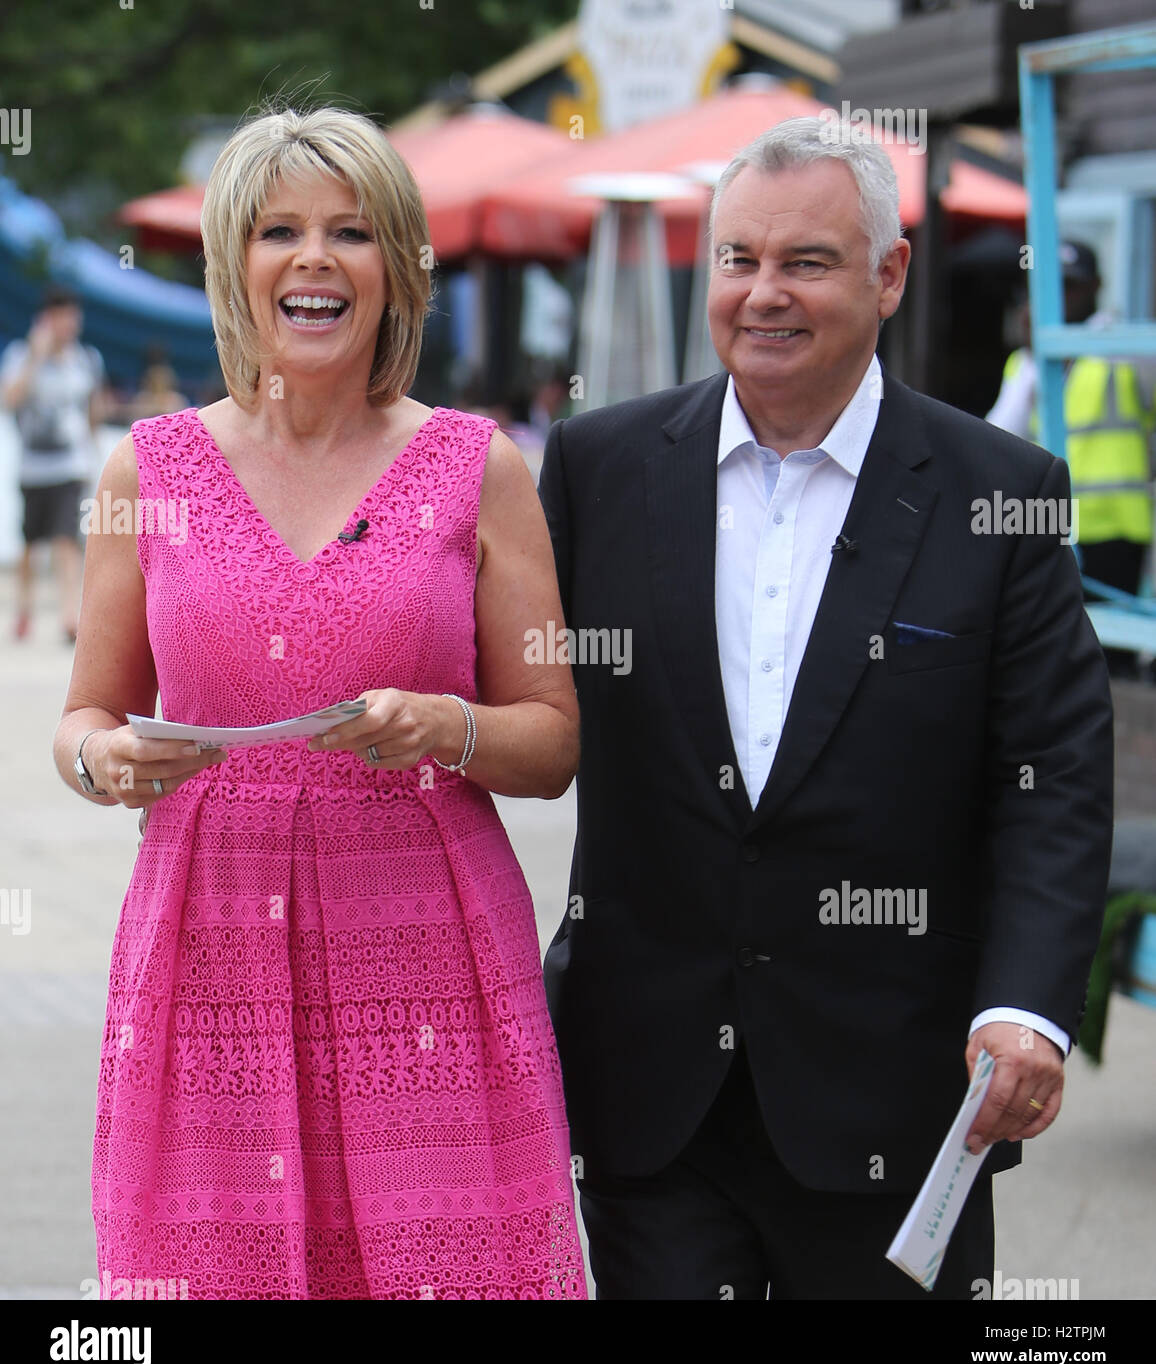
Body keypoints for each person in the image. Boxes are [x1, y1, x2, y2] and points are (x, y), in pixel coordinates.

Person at [538, 117, 1113, 1300]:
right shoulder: (597, 470)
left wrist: (1028, 1010)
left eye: (805, 262)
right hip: (650, 1099)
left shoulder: (998, 495)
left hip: (898, 1103)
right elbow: (500, 692)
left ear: (887, 274)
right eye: (738, 260)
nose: (763, 294)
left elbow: (1051, 770)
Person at [52, 105, 585, 1300]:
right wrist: (104, 763)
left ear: (397, 269)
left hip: (429, 954)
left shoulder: (478, 465)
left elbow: (550, 740)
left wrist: (443, 728)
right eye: (279, 231)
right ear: (233, 266)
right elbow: (84, 717)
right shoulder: (149, 469)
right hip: (210, 949)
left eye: (351, 233)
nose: (314, 259)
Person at [987, 241, 1155, 675]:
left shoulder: (1124, 350)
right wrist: (1029, 359)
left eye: (1072, 287)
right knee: (1051, 657)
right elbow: (997, 439)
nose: (1059, 298)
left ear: (1097, 288)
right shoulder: (1026, 363)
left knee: (1107, 660)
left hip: (1114, 528)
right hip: (1049, 527)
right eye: (1049, 288)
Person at [0, 286, 107, 642]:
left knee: (65, 538)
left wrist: (95, 455)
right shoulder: (20, 355)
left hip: (70, 466)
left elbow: (93, 410)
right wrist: (36, 356)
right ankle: (25, 607)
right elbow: (10, 399)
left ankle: (67, 616)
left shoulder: (85, 360)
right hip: (33, 468)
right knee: (30, 544)